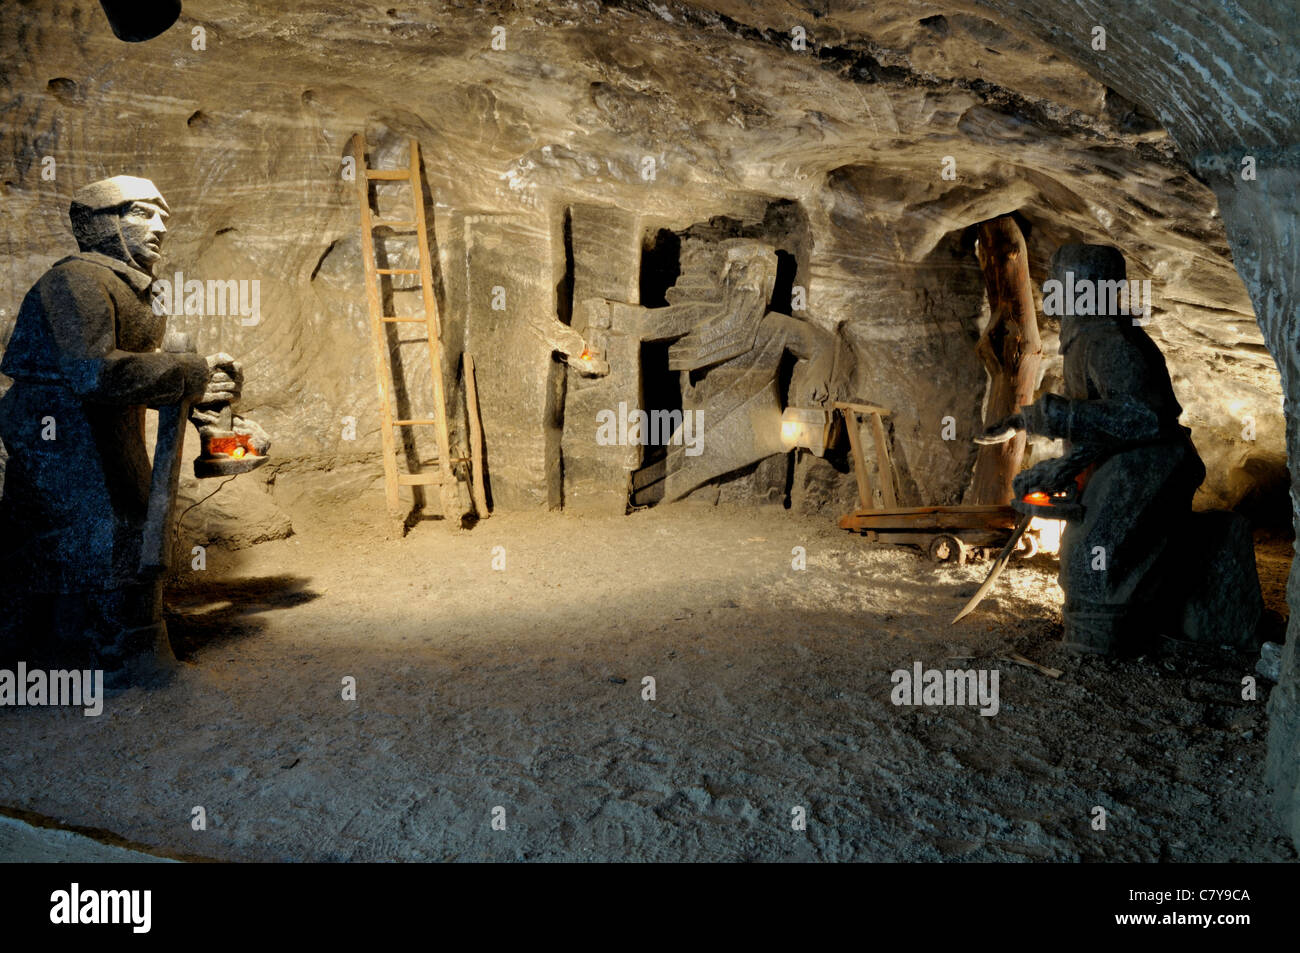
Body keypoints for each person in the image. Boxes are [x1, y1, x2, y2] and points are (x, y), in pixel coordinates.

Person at [0, 175, 239, 678]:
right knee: (103, 527)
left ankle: (109, 630)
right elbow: (92, 371)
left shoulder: (135, 287)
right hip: (56, 423)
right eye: (142, 213)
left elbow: (134, 371)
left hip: (102, 418)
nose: (160, 226)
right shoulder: (76, 281)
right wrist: (190, 372)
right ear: (102, 223)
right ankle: (109, 647)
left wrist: (201, 393)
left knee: (124, 521)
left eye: (164, 216)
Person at [978, 243, 1207, 655]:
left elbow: (1143, 418)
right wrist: (1043, 445)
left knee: (1091, 557)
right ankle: (1098, 629)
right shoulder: (1086, 339)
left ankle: (1104, 640)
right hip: (1125, 458)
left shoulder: (1110, 342)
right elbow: (1102, 422)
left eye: (1058, 279)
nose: (1049, 288)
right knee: (1080, 548)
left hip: (1150, 465)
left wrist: (1051, 421)